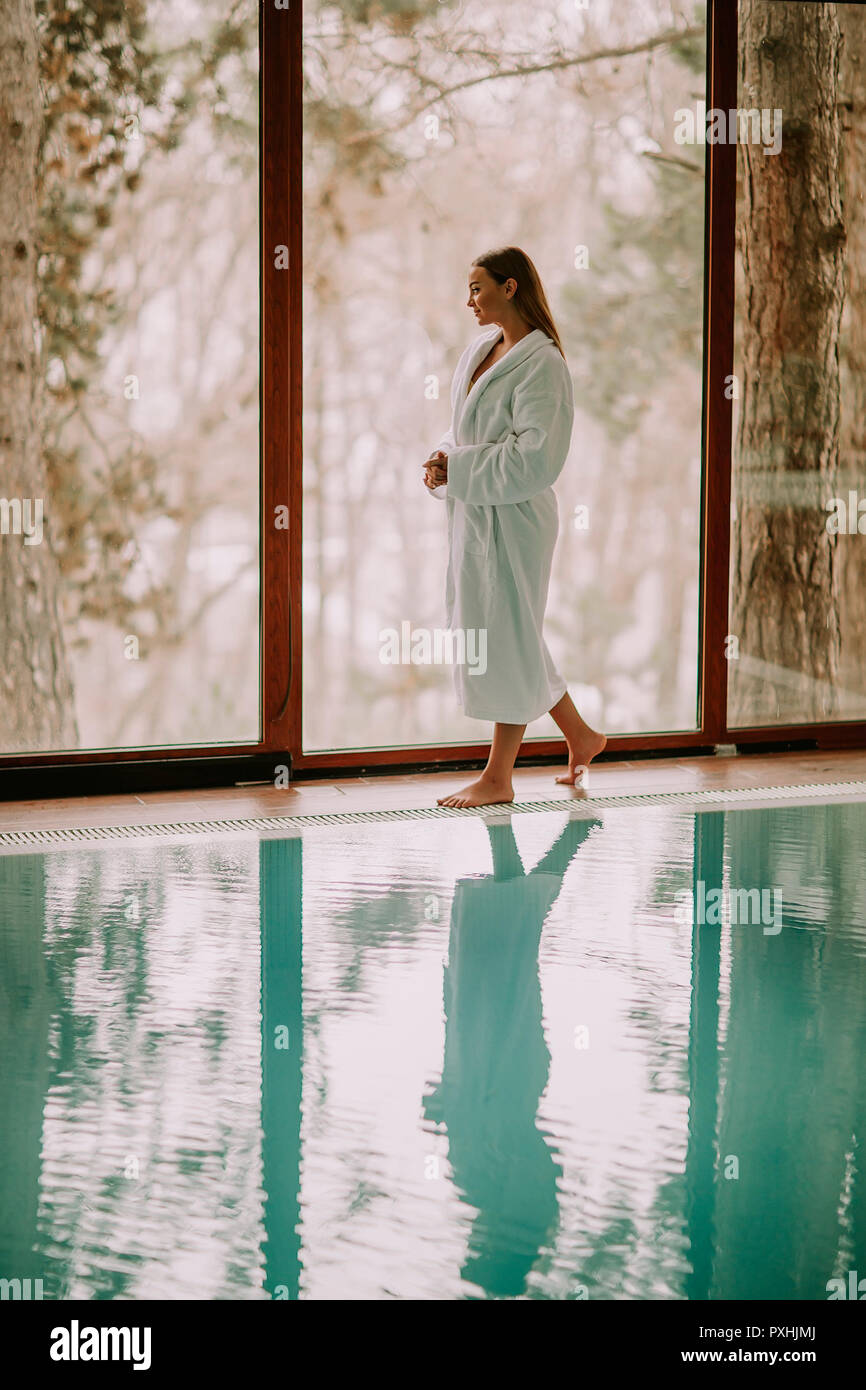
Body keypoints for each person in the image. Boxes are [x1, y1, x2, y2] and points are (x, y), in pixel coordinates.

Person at [424, 246, 606, 808]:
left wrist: (463, 467)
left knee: (507, 636)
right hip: (477, 514)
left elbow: (535, 459)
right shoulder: (482, 350)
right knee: (513, 632)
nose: (469, 300)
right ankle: (581, 735)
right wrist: (445, 460)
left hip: (517, 519)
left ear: (510, 287)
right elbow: (471, 433)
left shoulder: (545, 365)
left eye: (478, 287)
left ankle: (498, 777)